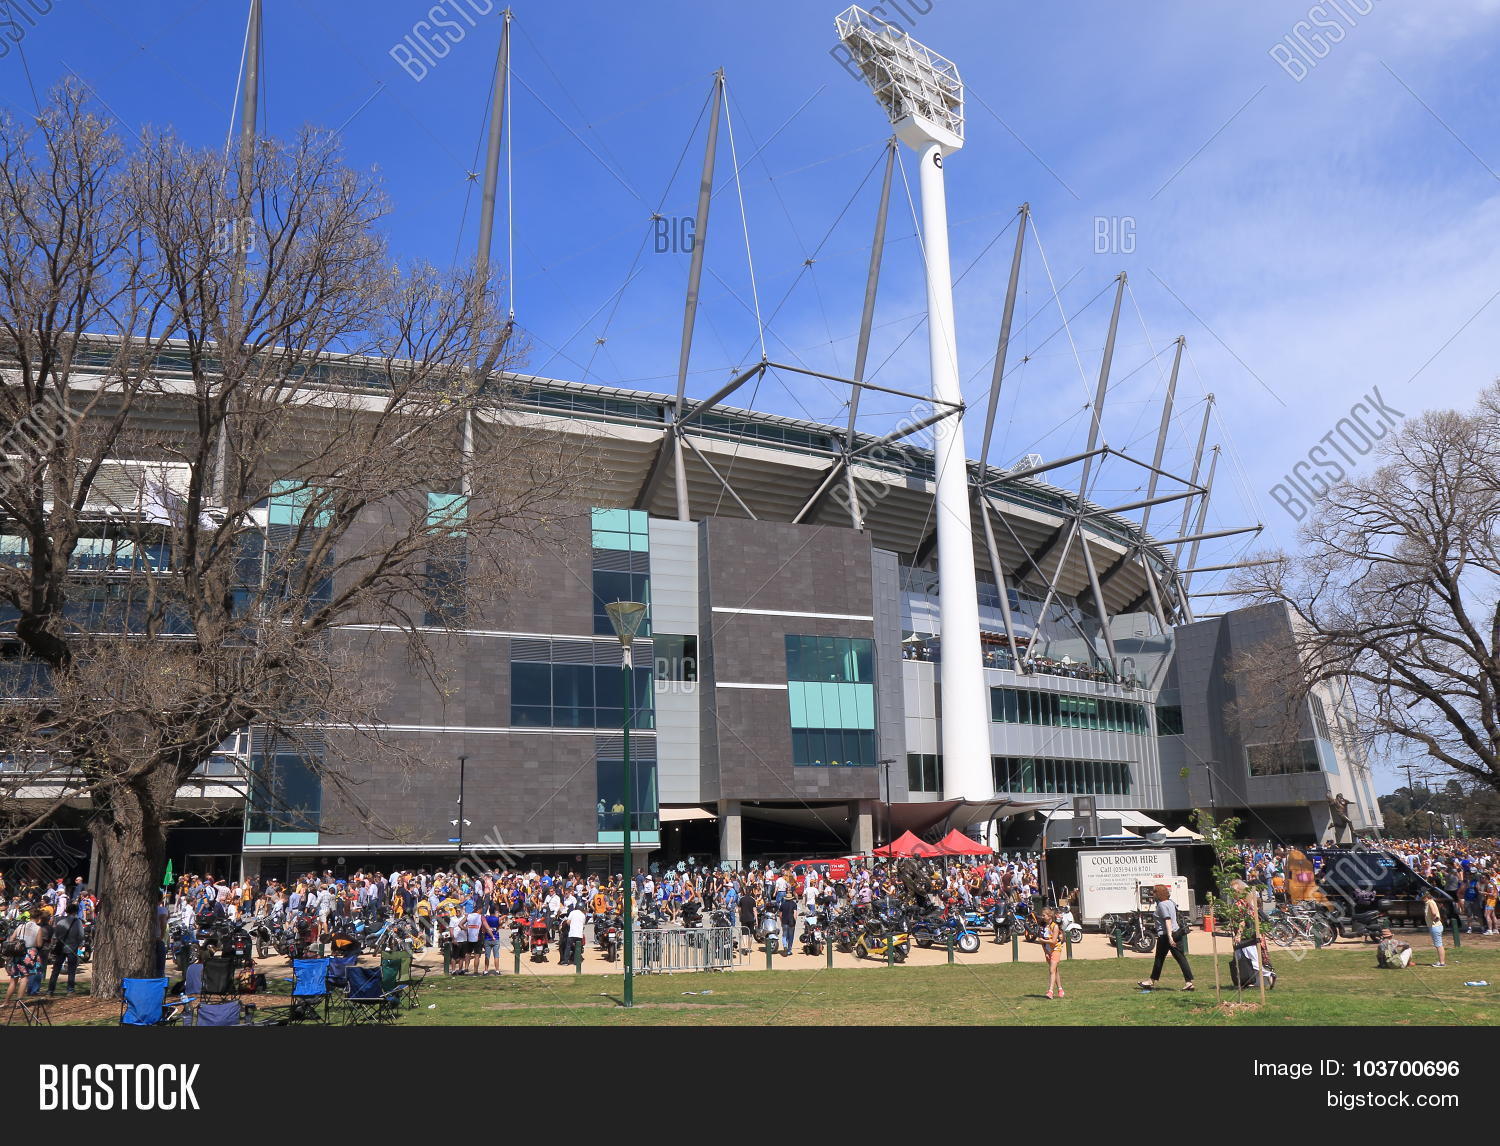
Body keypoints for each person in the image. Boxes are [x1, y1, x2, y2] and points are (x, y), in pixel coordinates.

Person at [1139, 884, 1194, 992]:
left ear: (1158, 893)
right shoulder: (1171, 902)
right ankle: (1189, 982)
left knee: (1159, 959)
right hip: (1176, 932)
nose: (1152, 894)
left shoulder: (1162, 905)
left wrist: (1169, 937)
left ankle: (1151, 981)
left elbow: (1167, 920)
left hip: (1166, 935)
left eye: (1154, 892)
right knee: (1180, 958)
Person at [47, 902, 84, 996]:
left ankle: (50, 990)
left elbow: (55, 936)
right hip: (72, 947)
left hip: (61, 948)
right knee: (71, 970)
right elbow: (81, 935)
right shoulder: (78, 922)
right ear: (75, 911)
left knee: (56, 970)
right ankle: (70, 990)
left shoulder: (60, 922)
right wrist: (80, 944)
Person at [1039, 907, 1064, 999]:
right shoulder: (1043, 927)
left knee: (1051, 970)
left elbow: (1053, 941)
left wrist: (1042, 940)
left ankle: (1050, 991)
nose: (1042, 917)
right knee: (1054, 970)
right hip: (1048, 950)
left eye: (1044, 915)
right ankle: (1060, 989)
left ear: (1049, 916)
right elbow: (1042, 942)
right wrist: (1045, 952)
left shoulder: (1055, 926)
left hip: (1056, 949)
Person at [1422, 890, 1446, 967]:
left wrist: (1434, 917)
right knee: (1438, 945)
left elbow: (1434, 912)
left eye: (1423, 897)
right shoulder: (1430, 902)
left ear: (1426, 897)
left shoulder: (1430, 902)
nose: (1422, 899)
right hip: (1435, 927)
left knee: (1439, 945)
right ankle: (1441, 961)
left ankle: (1442, 963)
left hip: (1435, 927)